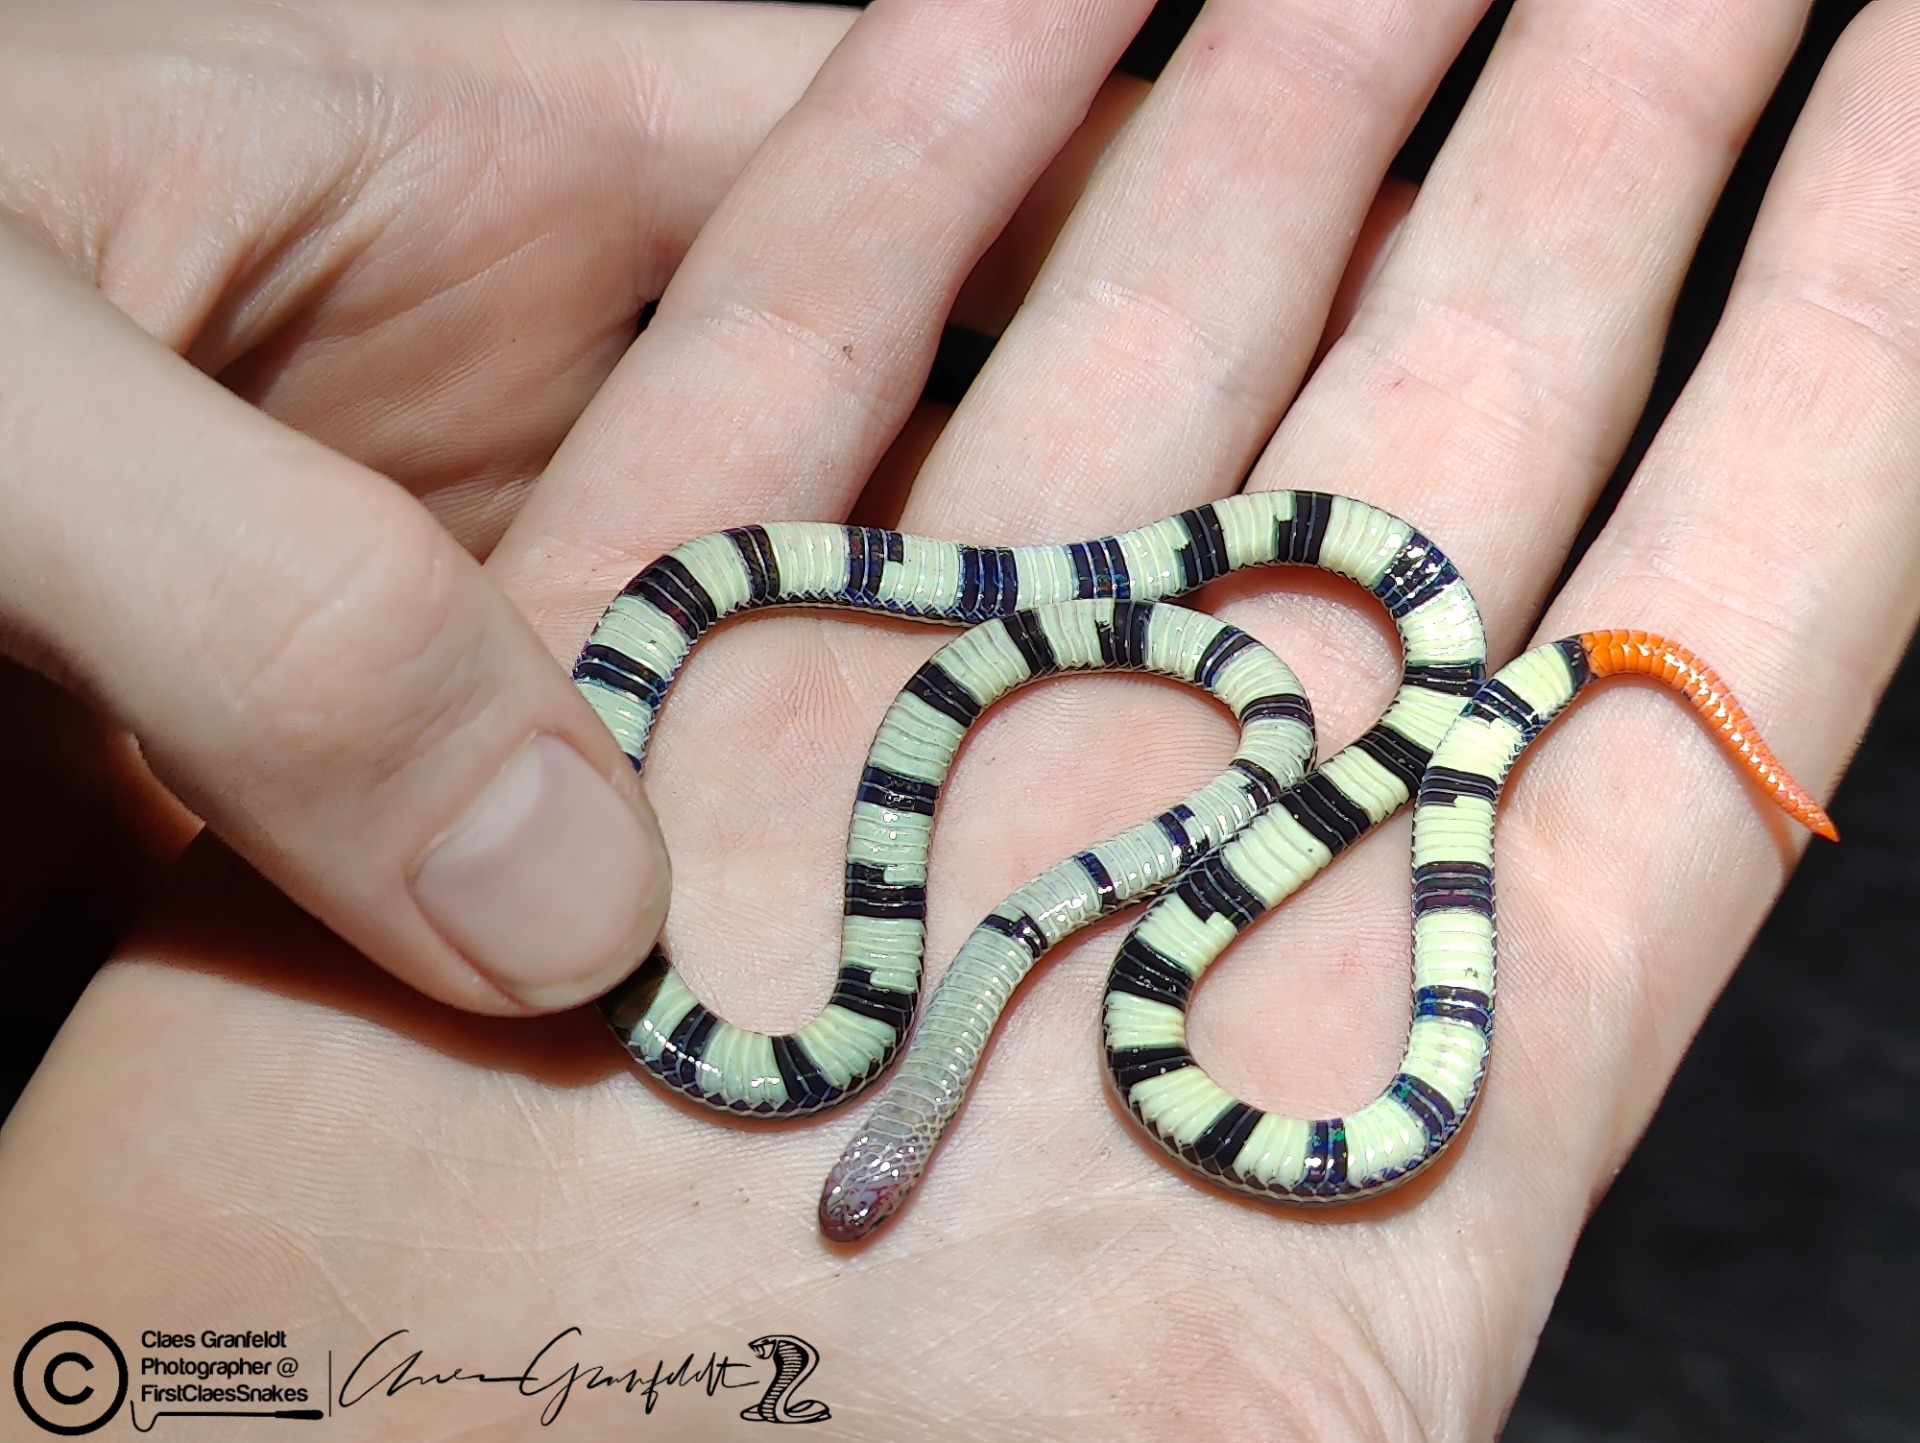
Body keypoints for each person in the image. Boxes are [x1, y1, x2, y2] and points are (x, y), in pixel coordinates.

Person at [2, 0, 1915, 1435]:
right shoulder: (928, 988)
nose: (870, 1178)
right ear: (894, 1148)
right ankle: (1423, 712)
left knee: (1188, 765)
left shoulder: (986, 971)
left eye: (879, 1170)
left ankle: (1426, 707)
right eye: (882, 1172)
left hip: (1212, 708)